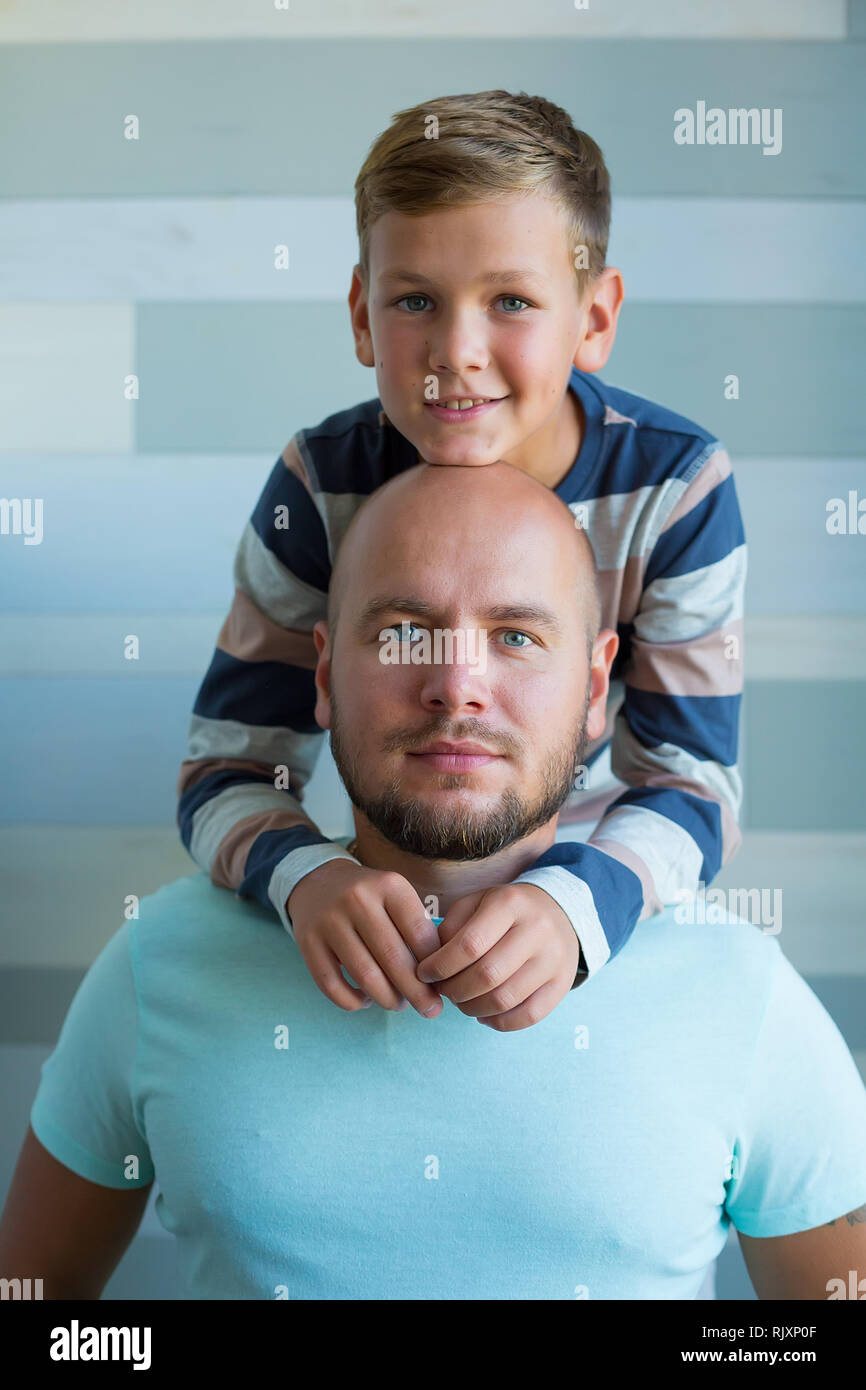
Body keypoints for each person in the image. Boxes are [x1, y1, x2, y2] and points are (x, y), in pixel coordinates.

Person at [1, 462, 863, 1301]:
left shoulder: (739, 991)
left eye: (516, 636)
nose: (457, 687)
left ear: (596, 685)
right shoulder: (159, 960)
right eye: (404, 632)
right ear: (327, 676)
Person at [176, 89, 745, 1029]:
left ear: (594, 319)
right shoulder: (322, 483)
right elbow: (227, 765)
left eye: (511, 300)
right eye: (414, 301)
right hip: (397, 874)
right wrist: (305, 875)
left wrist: (573, 908)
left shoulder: (675, 489)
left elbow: (693, 782)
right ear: (362, 315)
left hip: (576, 886)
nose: (456, 354)